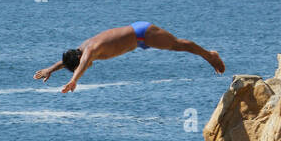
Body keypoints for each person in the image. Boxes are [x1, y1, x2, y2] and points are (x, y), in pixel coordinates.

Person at [34, 23, 225, 94]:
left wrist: (73, 80)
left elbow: (82, 64)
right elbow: (70, 61)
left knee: (177, 45)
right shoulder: (80, 50)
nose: (90, 65)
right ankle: (208, 55)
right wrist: (50, 69)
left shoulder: (90, 49)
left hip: (143, 33)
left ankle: (210, 55)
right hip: (138, 41)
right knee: (176, 46)